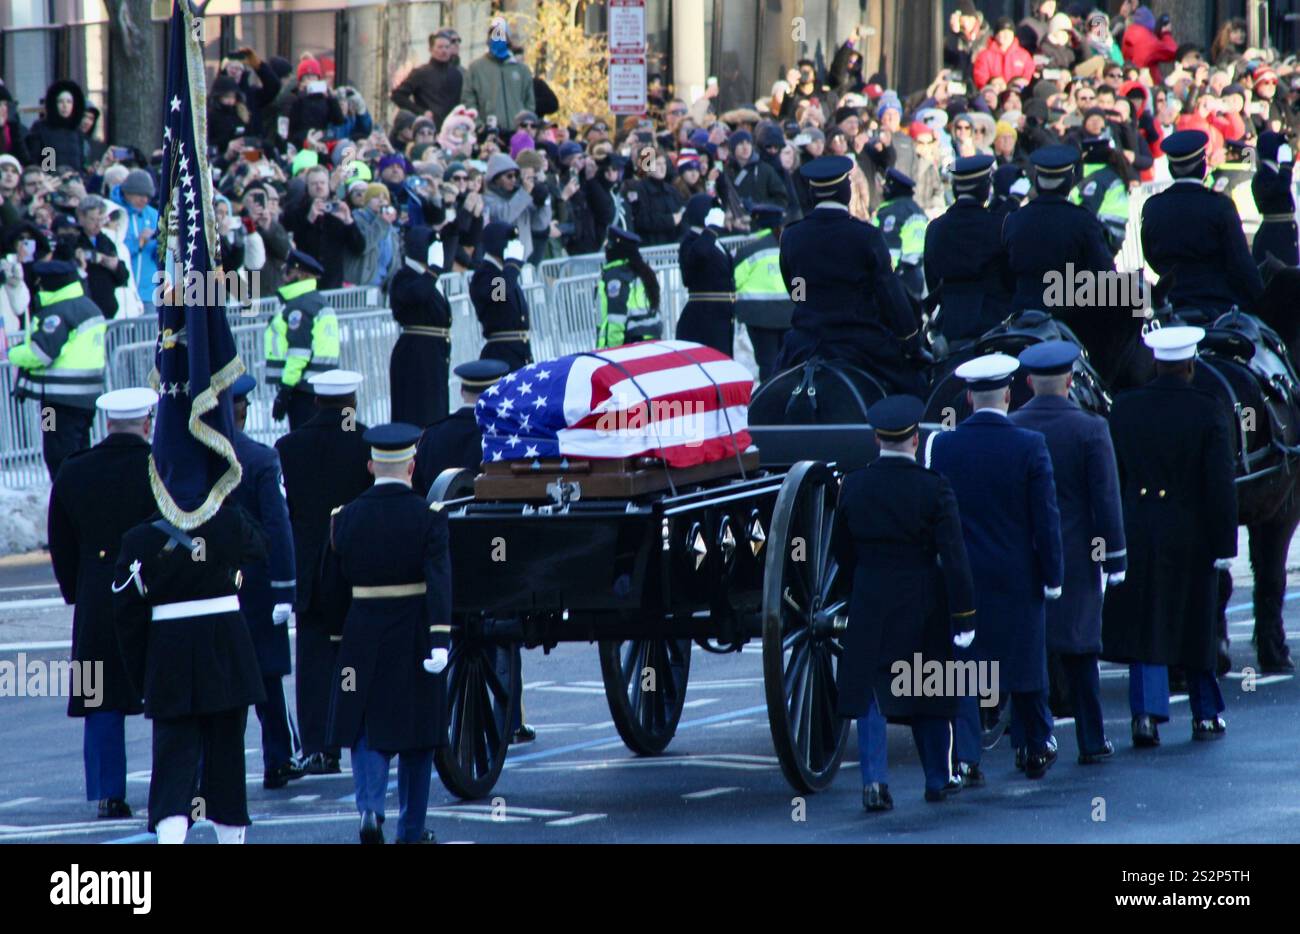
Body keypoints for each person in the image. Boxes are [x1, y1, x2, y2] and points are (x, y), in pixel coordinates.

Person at [926, 353, 1063, 784]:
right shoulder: (1030, 445)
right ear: (1008, 394)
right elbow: (1046, 518)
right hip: (1018, 573)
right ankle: (1034, 744)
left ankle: (966, 756)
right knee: (1025, 662)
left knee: (967, 668)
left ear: (968, 398)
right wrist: (1053, 574)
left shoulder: (943, 447)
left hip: (964, 576)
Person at [835, 395, 975, 809]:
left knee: (872, 693)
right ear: (915, 439)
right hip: (922, 599)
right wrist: (964, 613)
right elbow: (954, 555)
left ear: (877, 439)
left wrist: (856, 586)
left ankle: (874, 782)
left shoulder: (854, 484)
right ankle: (937, 777)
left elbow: (841, 550)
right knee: (929, 687)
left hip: (871, 597)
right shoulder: (934, 487)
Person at [1102, 327, 1237, 746]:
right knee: (1196, 621)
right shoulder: (1209, 409)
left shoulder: (1123, 408)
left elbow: (1117, 478)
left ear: (1156, 363)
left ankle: (1145, 714)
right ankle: (1205, 712)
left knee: (1148, 622)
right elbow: (1219, 485)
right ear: (1191, 365)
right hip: (1192, 529)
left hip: (1140, 526)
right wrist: (1225, 545)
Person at [318, 423, 450, 844]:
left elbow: (330, 590)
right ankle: (411, 829)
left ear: (371, 465)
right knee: (417, 734)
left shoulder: (344, 518)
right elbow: (440, 580)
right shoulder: (428, 517)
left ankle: (370, 810)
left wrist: (340, 640)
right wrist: (440, 637)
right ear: (412, 467)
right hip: (413, 631)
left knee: (367, 729)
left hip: (362, 631)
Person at [112, 499, 268, 844]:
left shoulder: (138, 539)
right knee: (227, 764)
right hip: (227, 654)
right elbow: (260, 544)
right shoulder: (230, 524)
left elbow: (127, 618)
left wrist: (143, 677)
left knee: (172, 767)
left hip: (170, 658)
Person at [1010, 342, 1126, 765]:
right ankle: (1091, 739)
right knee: (1081, 650)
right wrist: (1116, 557)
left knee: (1030, 650)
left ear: (1028, 384)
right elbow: (1106, 500)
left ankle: (1027, 740)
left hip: (1026, 554)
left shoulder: (1014, 426)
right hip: (1078, 553)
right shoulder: (1092, 428)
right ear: (1070, 381)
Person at [47, 387, 159, 820]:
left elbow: (61, 542)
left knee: (102, 700)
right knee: (166, 696)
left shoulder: (74, 471)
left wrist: (77, 590)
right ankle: (181, 785)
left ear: (105, 423)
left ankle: (109, 794)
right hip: (151, 590)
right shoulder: (158, 467)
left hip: (97, 595)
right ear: (147, 422)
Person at [274, 369, 373, 775]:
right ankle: (367, 736)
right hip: (358, 567)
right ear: (351, 402)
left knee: (315, 661)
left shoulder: (288, 447)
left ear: (316, 401)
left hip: (311, 568)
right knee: (362, 655)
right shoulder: (367, 442)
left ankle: (319, 746)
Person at [776, 155, 926, 397]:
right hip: (860, 342)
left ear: (814, 194)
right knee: (916, 390)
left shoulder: (792, 236)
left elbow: (797, 292)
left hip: (805, 341)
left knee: (772, 392)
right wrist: (909, 339)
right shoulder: (865, 235)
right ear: (846, 190)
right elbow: (889, 293)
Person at [229, 374, 303, 790]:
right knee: (266, 674)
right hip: (255, 584)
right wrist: (285, 587)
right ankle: (278, 757)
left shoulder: (192, 460)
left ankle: (216, 768)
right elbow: (277, 525)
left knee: (222, 679)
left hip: (212, 583)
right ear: (238, 409)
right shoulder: (259, 459)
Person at [1141, 130, 1263, 318]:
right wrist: (1262, 301)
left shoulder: (1153, 207)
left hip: (1172, 303)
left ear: (1172, 169)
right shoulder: (1219, 206)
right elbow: (1240, 262)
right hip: (1219, 306)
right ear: (1203, 166)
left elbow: (1152, 257)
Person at [6, 259, 107, 480]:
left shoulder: (58, 312)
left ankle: (68, 506)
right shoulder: (88, 306)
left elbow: (41, 353)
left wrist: (10, 353)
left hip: (56, 402)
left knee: (57, 455)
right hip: (85, 400)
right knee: (80, 453)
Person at [1002, 145, 1114, 315]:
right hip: (1072, 316)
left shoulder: (1013, 220)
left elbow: (1006, 275)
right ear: (1070, 180)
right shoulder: (1083, 220)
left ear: (1037, 179)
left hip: (1024, 315)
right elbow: (1105, 273)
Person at [924, 154, 1013, 348]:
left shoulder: (935, 228)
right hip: (994, 325)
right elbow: (1010, 277)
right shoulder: (999, 226)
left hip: (949, 326)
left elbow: (932, 280)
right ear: (985, 187)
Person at [265, 249, 341, 430]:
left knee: (303, 446)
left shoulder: (300, 307)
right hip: (317, 388)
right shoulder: (315, 301)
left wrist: (285, 390)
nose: (283, 276)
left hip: (303, 391)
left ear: (299, 274)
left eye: (287, 271)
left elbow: (299, 354)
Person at [413, 359, 510, 498]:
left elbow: (419, 488)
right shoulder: (503, 434)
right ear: (498, 393)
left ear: (462, 391)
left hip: (440, 518)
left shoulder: (431, 434)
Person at [389, 226, 453, 427]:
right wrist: (433, 270)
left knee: (436, 410)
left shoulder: (428, 277)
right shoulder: (405, 276)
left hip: (434, 352)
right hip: (416, 354)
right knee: (420, 412)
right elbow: (417, 295)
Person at [731, 203, 794, 382]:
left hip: (758, 317)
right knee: (788, 364)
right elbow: (801, 280)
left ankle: (770, 404)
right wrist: (800, 304)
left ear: (756, 223)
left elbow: (734, 281)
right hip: (789, 316)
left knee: (767, 364)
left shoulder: (748, 251)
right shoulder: (790, 247)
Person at [676, 194, 737, 357]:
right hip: (703, 317)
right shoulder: (690, 241)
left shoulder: (713, 240)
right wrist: (711, 229)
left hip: (722, 315)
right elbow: (699, 255)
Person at [469, 222, 532, 372]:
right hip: (501, 354)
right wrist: (513, 264)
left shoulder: (505, 272)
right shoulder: (485, 273)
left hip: (519, 351)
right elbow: (500, 295)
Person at [461, 18, 536, 131]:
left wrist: (525, 125)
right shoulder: (476, 68)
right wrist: (479, 126)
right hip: (488, 131)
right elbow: (468, 100)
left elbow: (529, 102)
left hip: (517, 131)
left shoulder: (521, 69)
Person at [596, 226, 662, 349]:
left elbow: (616, 319)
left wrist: (613, 351)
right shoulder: (642, 271)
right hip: (651, 342)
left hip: (630, 345)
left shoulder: (616, 276)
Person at [391, 29, 465, 129]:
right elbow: (397, 95)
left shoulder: (457, 75)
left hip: (451, 131)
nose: (444, 51)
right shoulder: (420, 73)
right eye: (440, 47)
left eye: (447, 47)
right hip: (427, 130)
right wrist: (420, 112)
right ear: (430, 49)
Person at [1070, 132, 1130, 254]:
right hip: (1109, 236)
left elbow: (1087, 211)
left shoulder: (1098, 178)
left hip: (1100, 237)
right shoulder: (1108, 173)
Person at [874, 168, 928, 301]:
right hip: (917, 274)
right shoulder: (917, 209)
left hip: (898, 277)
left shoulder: (891, 212)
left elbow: (889, 251)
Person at [1250, 131, 1297, 267]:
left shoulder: (1273, 173)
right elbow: (1281, 188)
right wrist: (1285, 166)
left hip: (1283, 234)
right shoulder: (1262, 176)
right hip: (1274, 237)